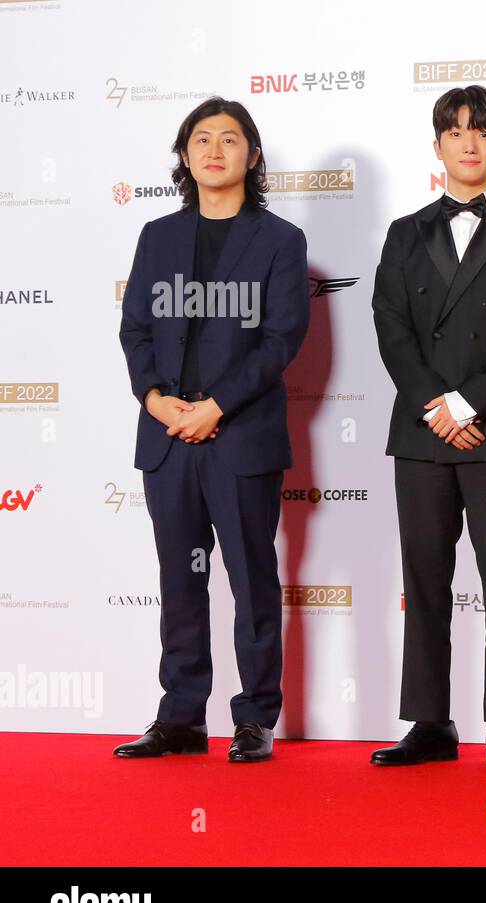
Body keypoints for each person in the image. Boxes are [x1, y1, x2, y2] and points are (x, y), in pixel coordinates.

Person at [370, 85, 486, 769]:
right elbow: (390, 329)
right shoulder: (403, 232)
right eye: (455, 132)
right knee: (424, 577)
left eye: (482, 132)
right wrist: (437, 407)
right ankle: (429, 722)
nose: (469, 143)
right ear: (437, 147)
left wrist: (468, 405)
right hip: (423, 434)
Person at [115, 97, 310, 763]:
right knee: (179, 578)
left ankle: (255, 716)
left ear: (253, 156)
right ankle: (180, 716)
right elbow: (135, 328)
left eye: (231, 139)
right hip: (167, 435)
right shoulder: (157, 237)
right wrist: (155, 397)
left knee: (251, 577)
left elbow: (281, 339)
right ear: (185, 154)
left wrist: (216, 405)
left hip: (240, 435)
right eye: (202, 138)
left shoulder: (281, 240)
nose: (215, 150)